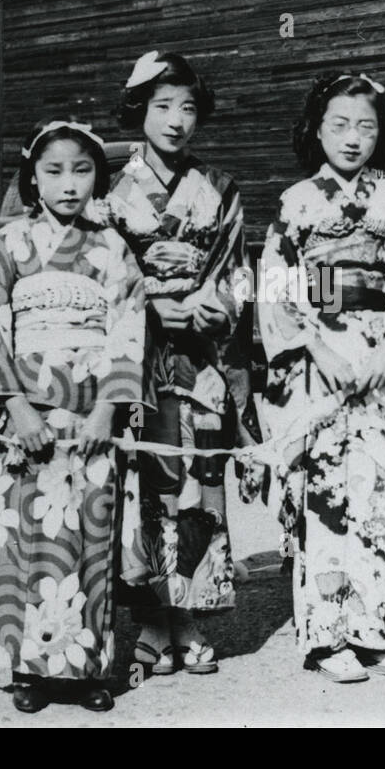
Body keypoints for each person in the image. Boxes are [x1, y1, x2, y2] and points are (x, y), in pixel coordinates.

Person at [259, 72, 385, 683]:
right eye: (339, 124)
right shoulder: (297, 202)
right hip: (320, 357)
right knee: (328, 492)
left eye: (366, 126)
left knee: (384, 490)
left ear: (383, 134)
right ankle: (328, 634)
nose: (353, 138)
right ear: (316, 129)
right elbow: (277, 282)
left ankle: (382, 629)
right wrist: (316, 347)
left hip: (383, 356)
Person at [0, 119, 146, 714]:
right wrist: (16, 408)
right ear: (31, 178)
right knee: (24, 539)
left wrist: (106, 411)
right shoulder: (7, 246)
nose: (69, 184)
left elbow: (127, 327)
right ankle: (26, 667)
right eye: (53, 171)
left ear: (98, 175)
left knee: (91, 537)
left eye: (82, 169)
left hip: (90, 417)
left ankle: (86, 667)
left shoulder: (112, 248)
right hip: (29, 419)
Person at [107, 51, 249, 676]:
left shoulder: (219, 190)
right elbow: (102, 267)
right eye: (162, 106)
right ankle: (149, 618)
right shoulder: (110, 190)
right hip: (136, 354)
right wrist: (147, 308)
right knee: (143, 480)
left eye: (188, 107)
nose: (176, 120)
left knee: (194, 481)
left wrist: (217, 305)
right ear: (140, 110)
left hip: (198, 355)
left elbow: (235, 267)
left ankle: (188, 614)